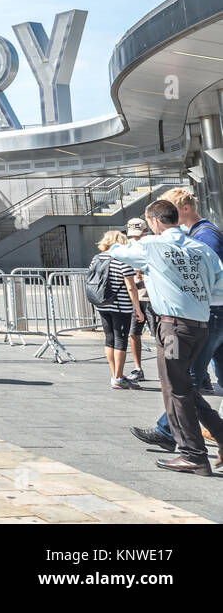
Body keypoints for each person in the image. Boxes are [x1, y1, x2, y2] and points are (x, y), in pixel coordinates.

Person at [113, 199, 223, 474]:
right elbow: (218, 286)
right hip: (200, 323)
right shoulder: (200, 248)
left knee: (176, 390)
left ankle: (193, 454)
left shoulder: (152, 245)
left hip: (172, 326)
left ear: (154, 222)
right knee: (183, 387)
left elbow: (119, 253)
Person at [160, 188, 223, 394]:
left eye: (173, 210)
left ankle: (167, 426)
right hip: (213, 308)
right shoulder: (203, 232)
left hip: (212, 309)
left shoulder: (204, 235)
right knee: (199, 372)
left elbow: (208, 272)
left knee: (189, 375)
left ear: (186, 209)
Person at [90, 230, 144, 389]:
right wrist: (138, 309)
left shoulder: (97, 258)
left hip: (102, 302)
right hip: (121, 305)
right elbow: (131, 287)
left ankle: (115, 374)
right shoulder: (122, 259)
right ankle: (119, 377)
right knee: (121, 340)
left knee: (109, 338)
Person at [125, 218, 153, 382]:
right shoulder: (128, 248)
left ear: (146, 231)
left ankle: (167, 367)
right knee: (134, 333)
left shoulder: (152, 246)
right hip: (136, 296)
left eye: (139, 235)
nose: (136, 238)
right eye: (133, 235)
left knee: (160, 336)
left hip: (151, 298)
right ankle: (138, 368)